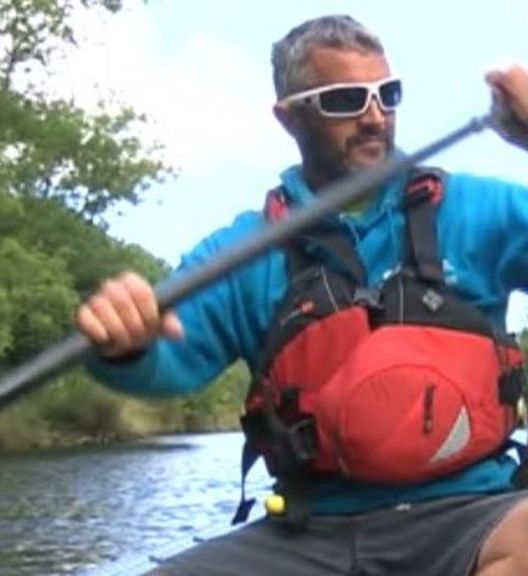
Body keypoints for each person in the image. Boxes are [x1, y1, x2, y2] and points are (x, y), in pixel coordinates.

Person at [76, 14, 528, 576]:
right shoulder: (244, 250)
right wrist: (128, 344)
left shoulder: (481, 211)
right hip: (309, 532)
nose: (373, 116)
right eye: (344, 100)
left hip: (474, 515)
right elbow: (169, 360)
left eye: (387, 94)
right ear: (289, 117)